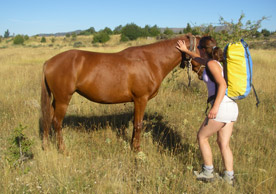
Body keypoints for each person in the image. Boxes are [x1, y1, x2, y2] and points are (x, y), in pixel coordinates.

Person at [176, 36, 238, 186]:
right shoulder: (214, 62)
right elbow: (199, 59)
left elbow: (222, 85)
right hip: (231, 106)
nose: (198, 52)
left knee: (202, 137)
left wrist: (215, 107)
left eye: (199, 49)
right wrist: (185, 51)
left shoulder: (212, 64)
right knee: (223, 143)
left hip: (221, 107)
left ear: (203, 49)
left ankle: (208, 172)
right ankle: (229, 177)